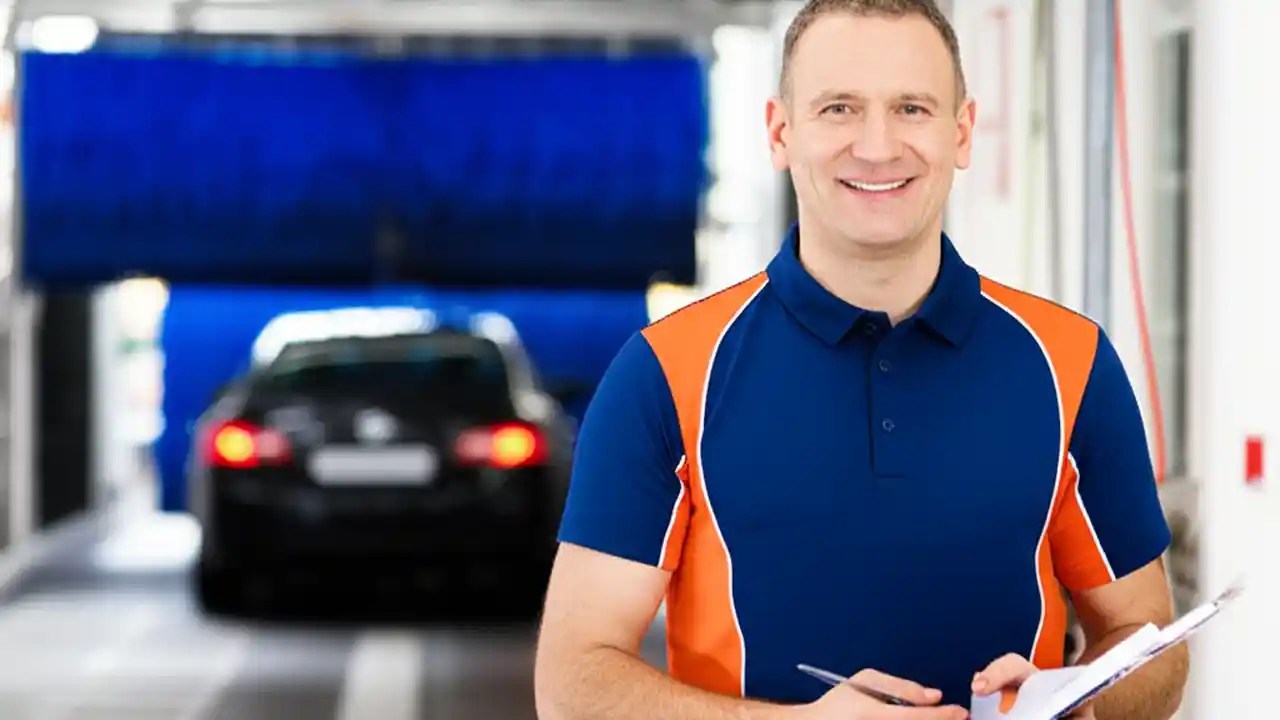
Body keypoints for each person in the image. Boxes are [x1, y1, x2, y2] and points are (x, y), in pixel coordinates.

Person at [533, 1, 1189, 718]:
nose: (877, 147)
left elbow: (1149, 645)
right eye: (839, 109)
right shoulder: (664, 374)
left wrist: (1077, 703)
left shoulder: (1072, 364)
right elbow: (573, 680)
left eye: (912, 108)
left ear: (962, 131)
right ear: (780, 132)